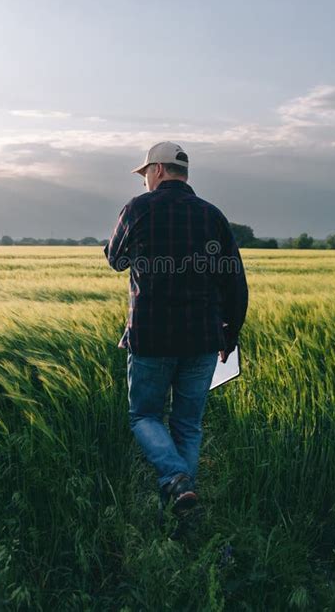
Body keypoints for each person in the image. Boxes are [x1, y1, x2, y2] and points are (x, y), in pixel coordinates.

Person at [104, 141, 248, 525]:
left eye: (146, 174)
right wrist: (230, 336)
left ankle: (176, 480)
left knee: (144, 416)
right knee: (187, 423)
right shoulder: (212, 216)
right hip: (202, 339)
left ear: (159, 171)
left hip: (151, 337)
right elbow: (235, 282)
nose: (145, 181)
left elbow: (115, 260)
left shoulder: (137, 209)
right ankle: (186, 507)